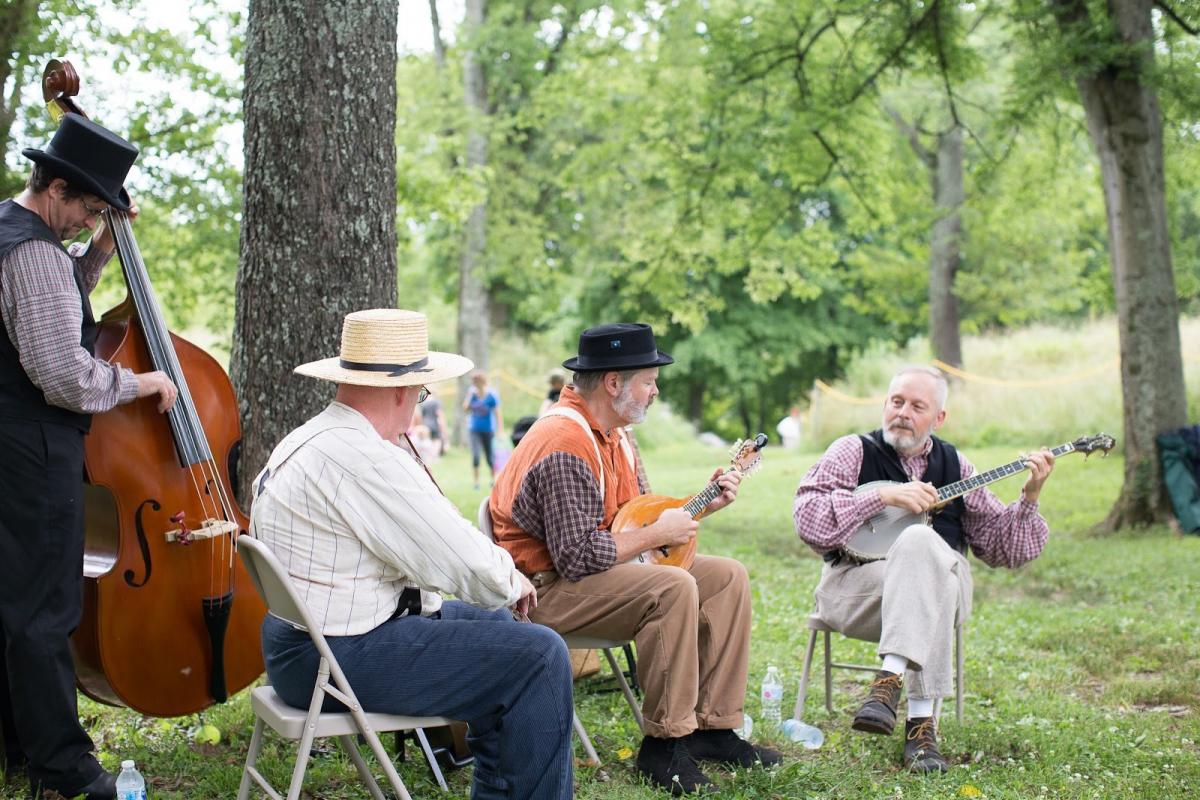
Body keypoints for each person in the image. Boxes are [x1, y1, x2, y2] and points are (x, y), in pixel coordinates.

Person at [249, 309, 573, 800]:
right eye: (421, 394)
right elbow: (452, 555)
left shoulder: (314, 436)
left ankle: (502, 789)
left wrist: (497, 594)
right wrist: (512, 580)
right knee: (542, 655)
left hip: (300, 644)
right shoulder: (362, 458)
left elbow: (431, 539)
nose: (419, 407)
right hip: (330, 660)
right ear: (401, 391)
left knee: (504, 629)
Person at [490, 323, 782, 796]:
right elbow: (577, 557)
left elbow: (634, 521)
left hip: (599, 575)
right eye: (648, 379)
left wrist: (700, 505)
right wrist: (657, 532)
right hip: (542, 593)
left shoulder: (616, 434)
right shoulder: (565, 443)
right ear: (613, 383)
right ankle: (663, 746)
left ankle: (714, 728)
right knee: (672, 587)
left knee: (727, 577)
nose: (655, 390)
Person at [0, 113, 178, 800]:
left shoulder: (13, 233)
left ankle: (19, 744)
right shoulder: (36, 252)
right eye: (89, 209)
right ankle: (66, 772)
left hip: (9, 437)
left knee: (13, 605)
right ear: (57, 187)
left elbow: (52, 304)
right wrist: (142, 383)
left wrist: (103, 247)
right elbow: (64, 372)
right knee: (46, 612)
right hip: (34, 444)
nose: (87, 222)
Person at [792, 366, 1055, 773]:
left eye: (917, 406)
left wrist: (1030, 495)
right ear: (885, 404)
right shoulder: (852, 451)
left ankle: (888, 685)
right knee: (936, 580)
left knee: (923, 547)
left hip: (938, 588)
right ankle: (921, 727)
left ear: (939, 418)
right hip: (856, 590)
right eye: (897, 402)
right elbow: (808, 520)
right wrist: (881, 496)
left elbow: (1005, 550)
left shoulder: (956, 466)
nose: (903, 413)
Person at [464, 370, 503, 488]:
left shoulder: (492, 395)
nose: (474, 384)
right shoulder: (472, 393)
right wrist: (470, 396)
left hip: (488, 430)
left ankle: (493, 480)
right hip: (474, 429)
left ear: (482, 381)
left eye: (475, 381)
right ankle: (476, 483)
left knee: (490, 457)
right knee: (476, 456)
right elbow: (465, 409)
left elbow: (498, 414)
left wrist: (500, 431)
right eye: (473, 382)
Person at [418, 386, 447, 455]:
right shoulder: (437, 402)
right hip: (435, 424)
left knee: (427, 440)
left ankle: (428, 455)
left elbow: (421, 416)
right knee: (437, 440)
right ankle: (434, 456)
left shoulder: (424, 403)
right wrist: (443, 427)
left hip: (425, 424)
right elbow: (440, 415)